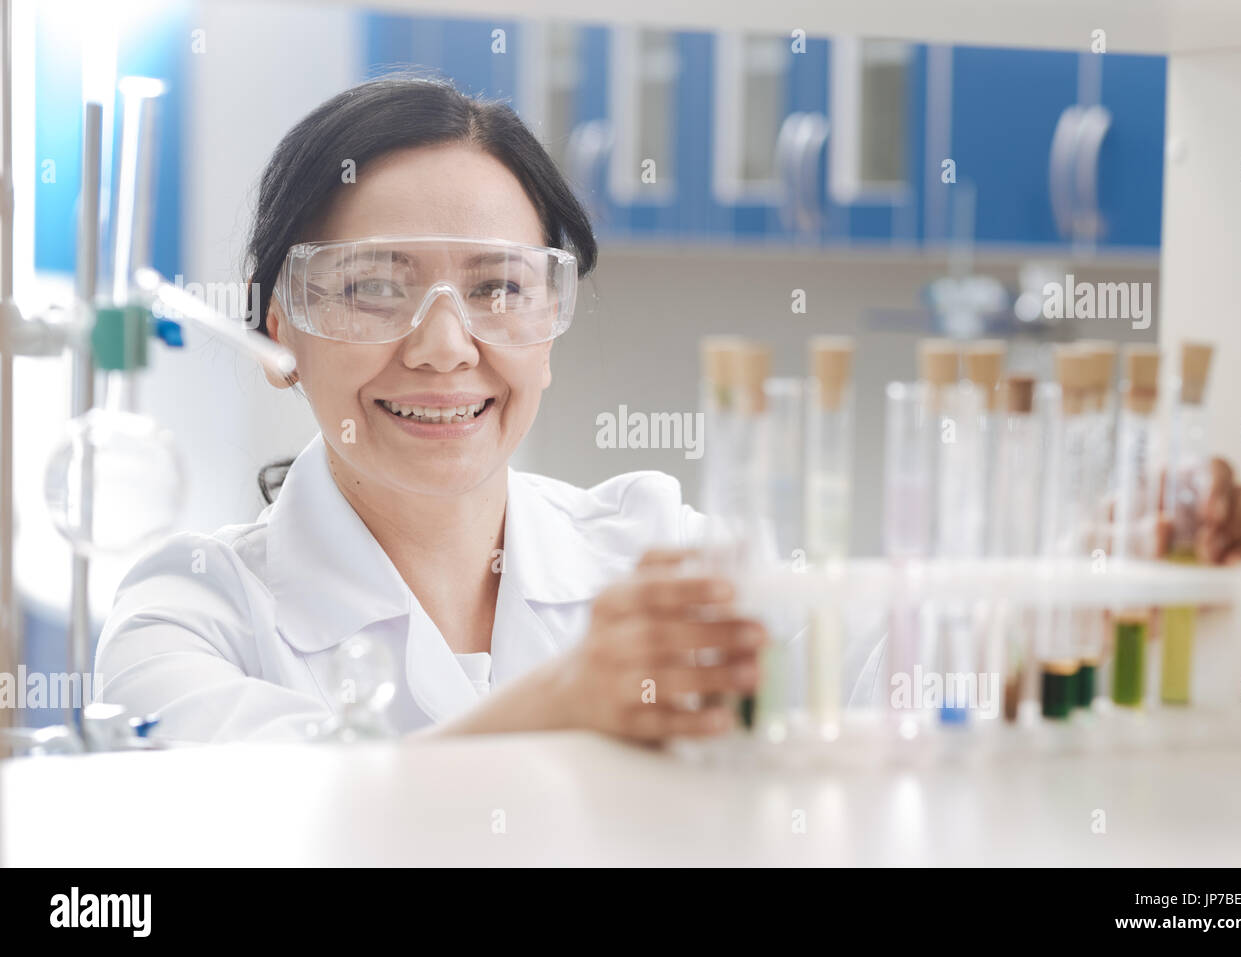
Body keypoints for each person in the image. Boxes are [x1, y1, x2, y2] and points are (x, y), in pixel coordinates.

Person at [96, 75, 764, 744]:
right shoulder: (189, 615)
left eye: (499, 286)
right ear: (277, 327)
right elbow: (297, 821)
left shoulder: (661, 550)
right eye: (374, 287)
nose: (444, 348)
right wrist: (561, 701)